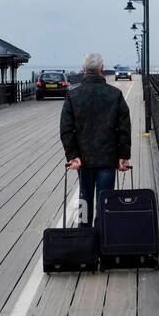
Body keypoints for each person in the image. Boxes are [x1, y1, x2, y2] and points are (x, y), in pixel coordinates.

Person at [60, 51, 131, 227]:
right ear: (102, 69)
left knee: (84, 196)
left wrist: (72, 155)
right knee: (105, 198)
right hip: (108, 157)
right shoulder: (115, 94)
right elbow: (124, 128)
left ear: (83, 69)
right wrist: (124, 156)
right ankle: (104, 240)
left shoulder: (73, 96)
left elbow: (66, 129)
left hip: (82, 159)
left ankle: (85, 236)